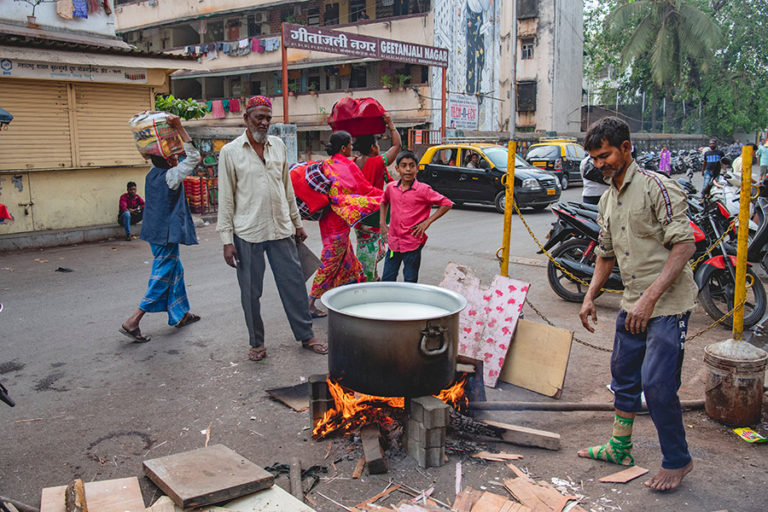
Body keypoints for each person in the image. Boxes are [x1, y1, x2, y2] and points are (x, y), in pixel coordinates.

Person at [578, 117, 697, 492]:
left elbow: (684, 245)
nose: (600, 164)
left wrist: (649, 299)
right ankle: (620, 447)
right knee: (624, 377)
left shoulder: (657, 187)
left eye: (606, 155)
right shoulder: (609, 199)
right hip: (633, 303)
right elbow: (605, 253)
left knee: (658, 384)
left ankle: (677, 460)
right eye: (595, 158)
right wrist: (589, 294)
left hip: (666, 305)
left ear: (626, 148)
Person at [217, 96, 326, 361]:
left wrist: (297, 223)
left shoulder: (278, 146)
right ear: (247, 118)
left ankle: (306, 335)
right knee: (251, 292)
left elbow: (286, 190)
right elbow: (226, 198)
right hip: (247, 233)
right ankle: (257, 343)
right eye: (259, 118)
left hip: (281, 230)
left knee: (294, 285)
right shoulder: (230, 152)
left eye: (268, 118)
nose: (264, 122)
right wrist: (226, 240)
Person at [120, 115, 202, 343]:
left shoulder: (151, 175)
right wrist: (178, 127)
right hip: (165, 235)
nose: (177, 160)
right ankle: (133, 320)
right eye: (174, 157)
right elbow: (194, 157)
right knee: (162, 277)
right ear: (168, 161)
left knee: (176, 271)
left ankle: (181, 313)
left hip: (154, 233)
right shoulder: (170, 176)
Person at [308, 131, 382, 310]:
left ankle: (351, 294)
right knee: (330, 262)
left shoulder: (327, 164)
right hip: (337, 223)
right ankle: (309, 303)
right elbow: (362, 189)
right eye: (350, 144)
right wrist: (383, 197)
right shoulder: (346, 166)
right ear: (343, 147)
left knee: (348, 260)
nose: (352, 147)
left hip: (328, 220)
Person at [380, 151, 453, 282]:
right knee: (387, 278)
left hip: (412, 242)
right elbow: (384, 201)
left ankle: (409, 302)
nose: (408, 169)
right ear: (397, 169)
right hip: (393, 243)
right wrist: (382, 223)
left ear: (417, 168)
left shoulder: (423, 190)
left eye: (411, 165)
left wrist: (428, 222)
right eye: (404, 165)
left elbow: (447, 203)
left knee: (410, 280)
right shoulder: (391, 187)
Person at [352, 114, 402, 281]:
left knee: (366, 248)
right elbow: (397, 145)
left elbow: (390, 181)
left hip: (358, 216)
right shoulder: (377, 162)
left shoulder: (352, 162)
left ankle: (372, 275)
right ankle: (368, 280)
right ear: (373, 147)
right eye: (378, 144)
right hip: (373, 215)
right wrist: (390, 123)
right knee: (370, 252)